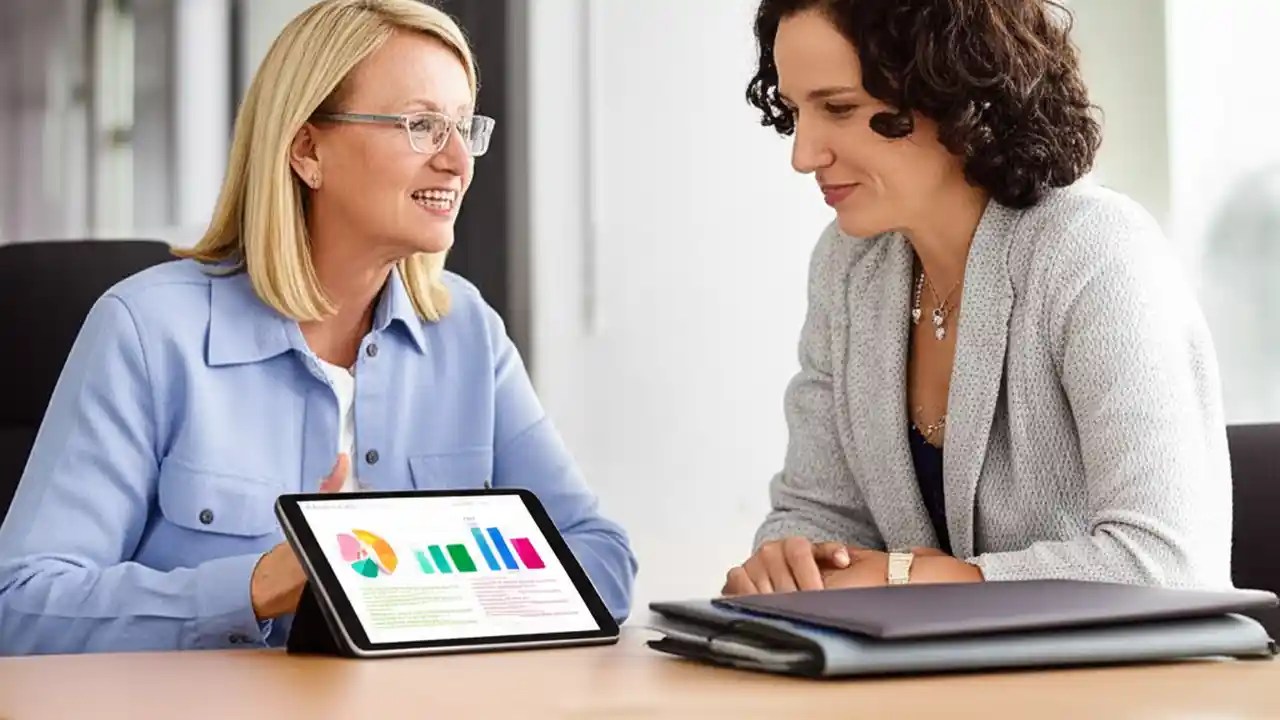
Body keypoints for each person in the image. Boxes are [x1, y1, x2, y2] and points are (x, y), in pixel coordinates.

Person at [0, 0, 635, 655]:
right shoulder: (148, 331)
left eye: (462, 126)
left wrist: (421, 586)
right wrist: (260, 585)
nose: (457, 160)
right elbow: (18, 605)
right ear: (307, 150)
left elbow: (603, 561)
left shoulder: (467, 330)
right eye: (421, 125)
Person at [722, 0, 1232, 595]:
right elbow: (817, 515)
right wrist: (793, 563)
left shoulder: (1094, 251)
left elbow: (1171, 567)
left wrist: (913, 579)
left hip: (1105, 662)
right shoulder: (850, 265)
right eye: (794, 111)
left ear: (953, 92)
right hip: (919, 658)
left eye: (839, 108)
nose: (803, 155)